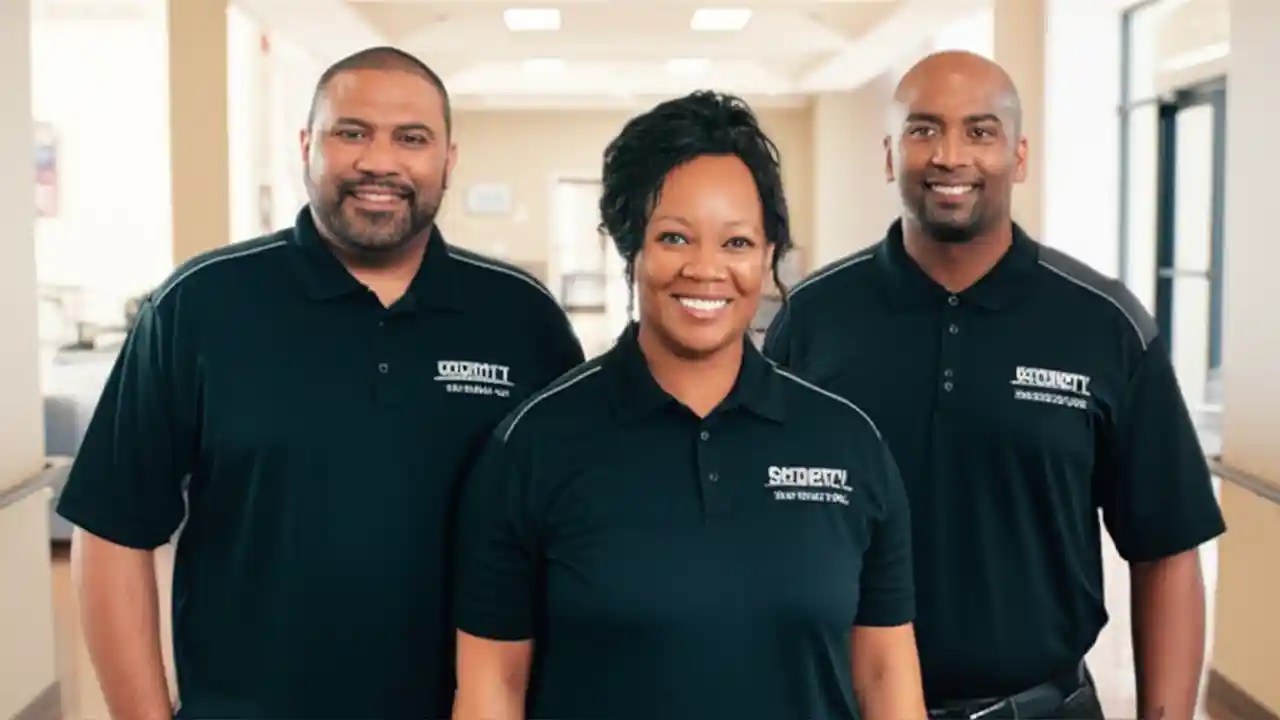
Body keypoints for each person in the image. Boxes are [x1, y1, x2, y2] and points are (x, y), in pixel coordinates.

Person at [56, 46, 584, 719]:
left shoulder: (520, 319)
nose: (380, 162)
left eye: (412, 138)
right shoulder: (201, 306)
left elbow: (578, 532)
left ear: (448, 160)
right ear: (307, 146)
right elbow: (112, 530)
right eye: (352, 132)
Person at [763, 50, 1227, 719]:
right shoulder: (814, 318)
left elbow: (1166, 553)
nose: (951, 155)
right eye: (924, 130)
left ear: (1019, 155)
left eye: (980, 131)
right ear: (891, 154)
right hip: (843, 702)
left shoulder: (1104, 325)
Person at [449, 90, 927, 720]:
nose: (706, 269)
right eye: (675, 237)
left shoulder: (847, 442)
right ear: (631, 247)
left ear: (767, 255)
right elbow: (493, 687)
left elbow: (885, 670)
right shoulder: (534, 444)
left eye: (736, 243)